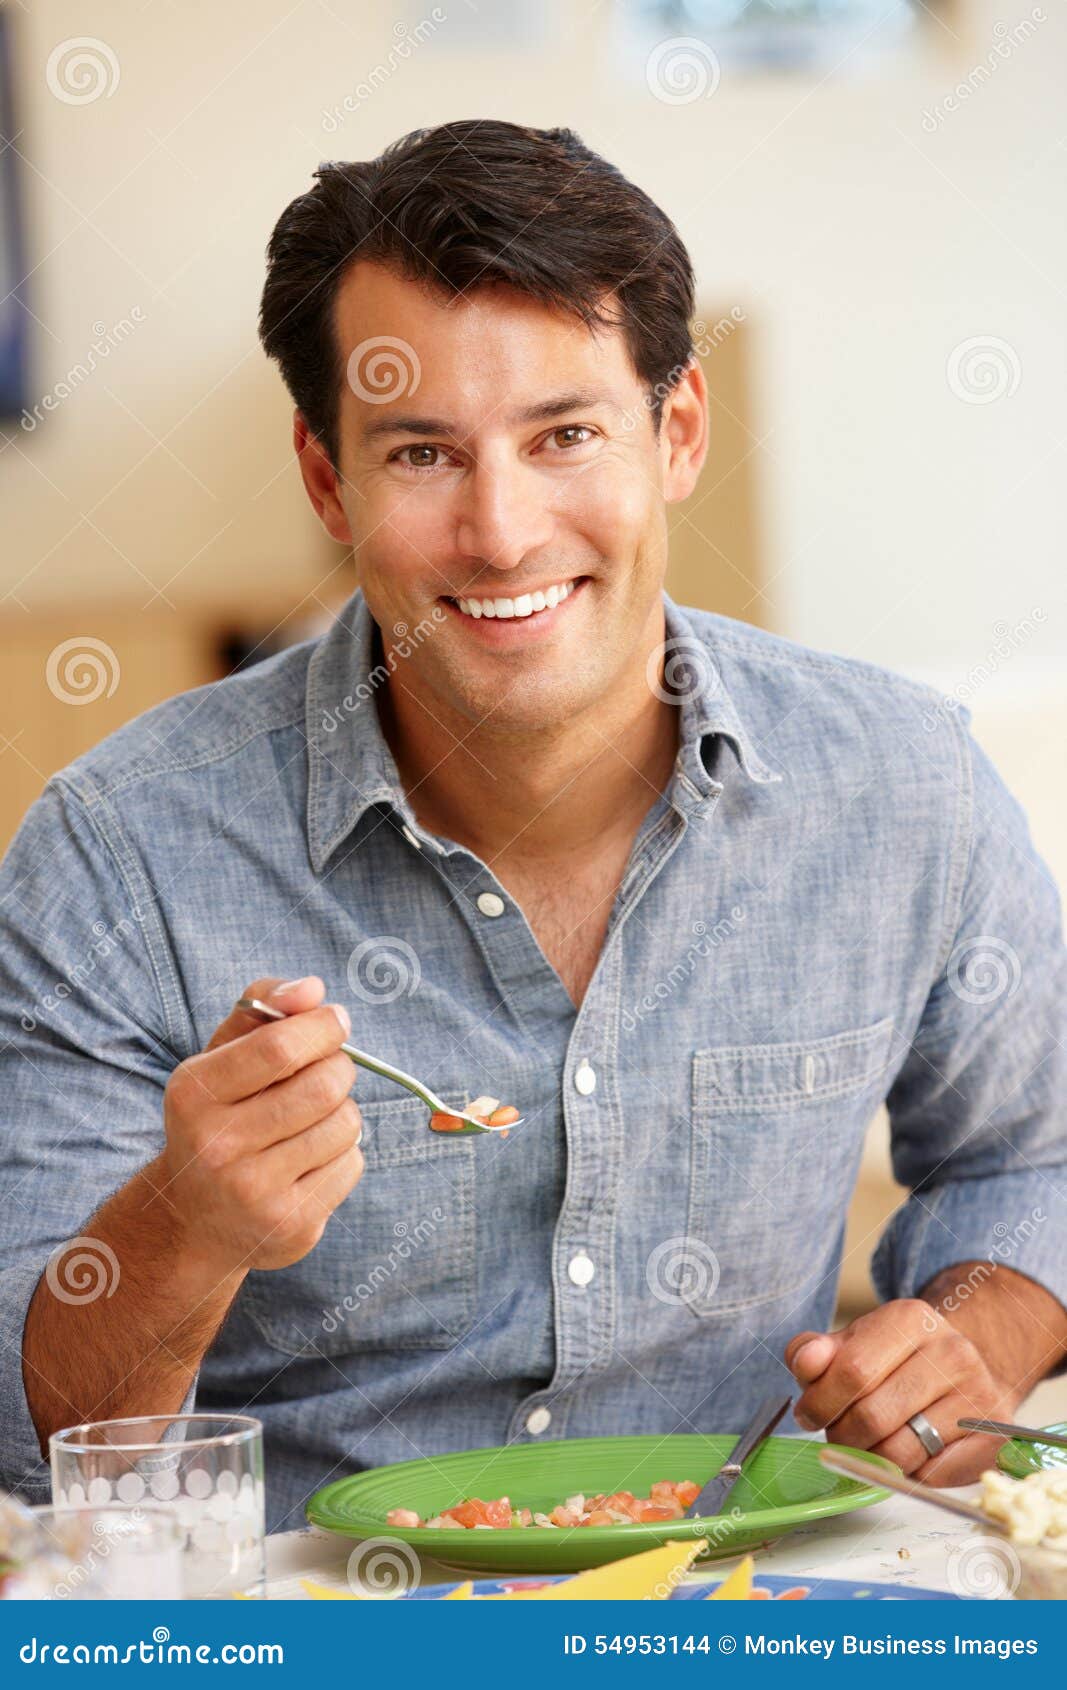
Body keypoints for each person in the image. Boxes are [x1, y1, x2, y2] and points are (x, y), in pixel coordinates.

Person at [1, 121, 1064, 1534]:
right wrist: (186, 1226)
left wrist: (981, 1330)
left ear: (675, 433)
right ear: (329, 482)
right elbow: (42, 1443)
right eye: (423, 453)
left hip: (751, 1604)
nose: (500, 532)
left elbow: (1034, 1152)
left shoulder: (902, 785)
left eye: (565, 436)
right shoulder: (115, 852)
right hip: (317, 1638)